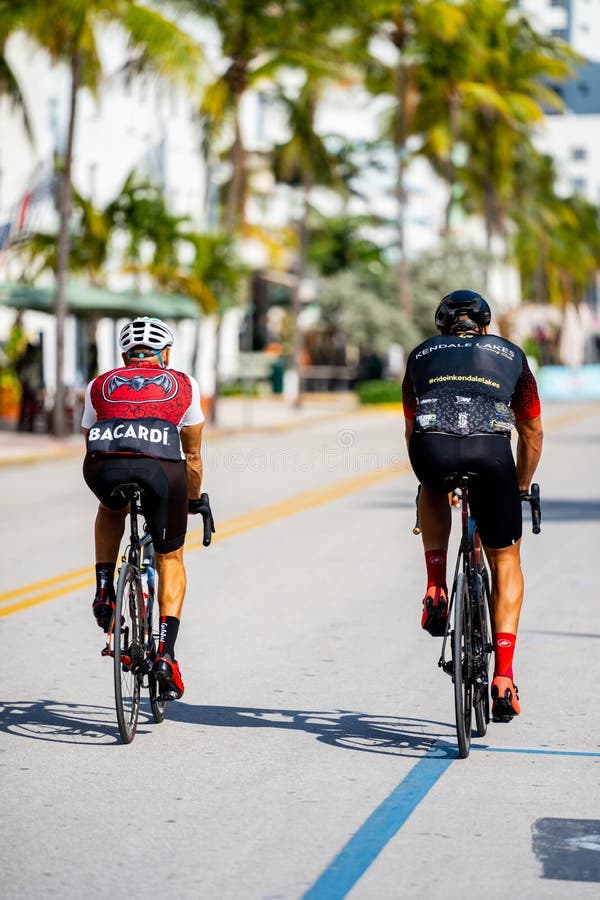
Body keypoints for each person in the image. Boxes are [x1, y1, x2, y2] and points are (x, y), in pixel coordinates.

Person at [402, 290, 543, 722]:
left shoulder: (421, 354)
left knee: (429, 488)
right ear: (485, 327)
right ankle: (503, 676)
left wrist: (433, 479)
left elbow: (412, 429)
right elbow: (532, 434)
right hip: (491, 454)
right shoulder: (512, 355)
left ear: (442, 328)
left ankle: (435, 585)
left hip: (433, 450)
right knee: (505, 559)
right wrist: (518, 485)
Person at [81, 317, 213, 700]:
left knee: (110, 508)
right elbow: (191, 455)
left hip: (103, 466)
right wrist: (192, 500)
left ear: (124, 356)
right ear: (166, 353)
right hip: (161, 472)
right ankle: (166, 656)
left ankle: (105, 588)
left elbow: (95, 439)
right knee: (169, 557)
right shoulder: (185, 385)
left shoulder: (99, 384)